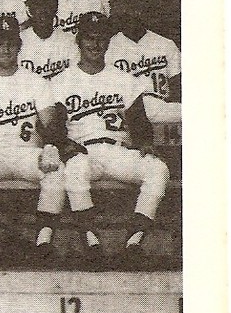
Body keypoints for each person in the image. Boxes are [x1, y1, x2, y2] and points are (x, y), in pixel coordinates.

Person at [54, 13, 172, 264]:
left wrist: (145, 143)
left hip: (118, 150)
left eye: (101, 39)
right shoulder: (62, 81)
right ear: (79, 40)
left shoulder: (123, 79)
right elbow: (53, 126)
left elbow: (140, 123)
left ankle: (134, 240)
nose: (95, 45)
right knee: (74, 168)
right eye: (90, 38)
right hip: (84, 152)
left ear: (108, 43)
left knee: (158, 169)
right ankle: (90, 240)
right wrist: (64, 145)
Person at [0, 16, 68, 264]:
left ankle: (44, 241)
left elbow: (50, 121)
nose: (6, 49)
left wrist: (51, 146)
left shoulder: (36, 81)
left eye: (10, 43)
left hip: (28, 151)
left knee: (57, 169)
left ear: (19, 46)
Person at [104, 0, 182, 121]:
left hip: (163, 107)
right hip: (127, 111)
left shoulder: (165, 44)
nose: (133, 15)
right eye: (128, 11)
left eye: (137, 9)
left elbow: (177, 87)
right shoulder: (108, 48)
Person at [19, 0, 79, 81]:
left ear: (55, 9)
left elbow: (74, 79)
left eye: (47, 6)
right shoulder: (19, 41)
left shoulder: (69, 41)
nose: (43, 11)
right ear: (29, 10)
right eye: (37, 6)